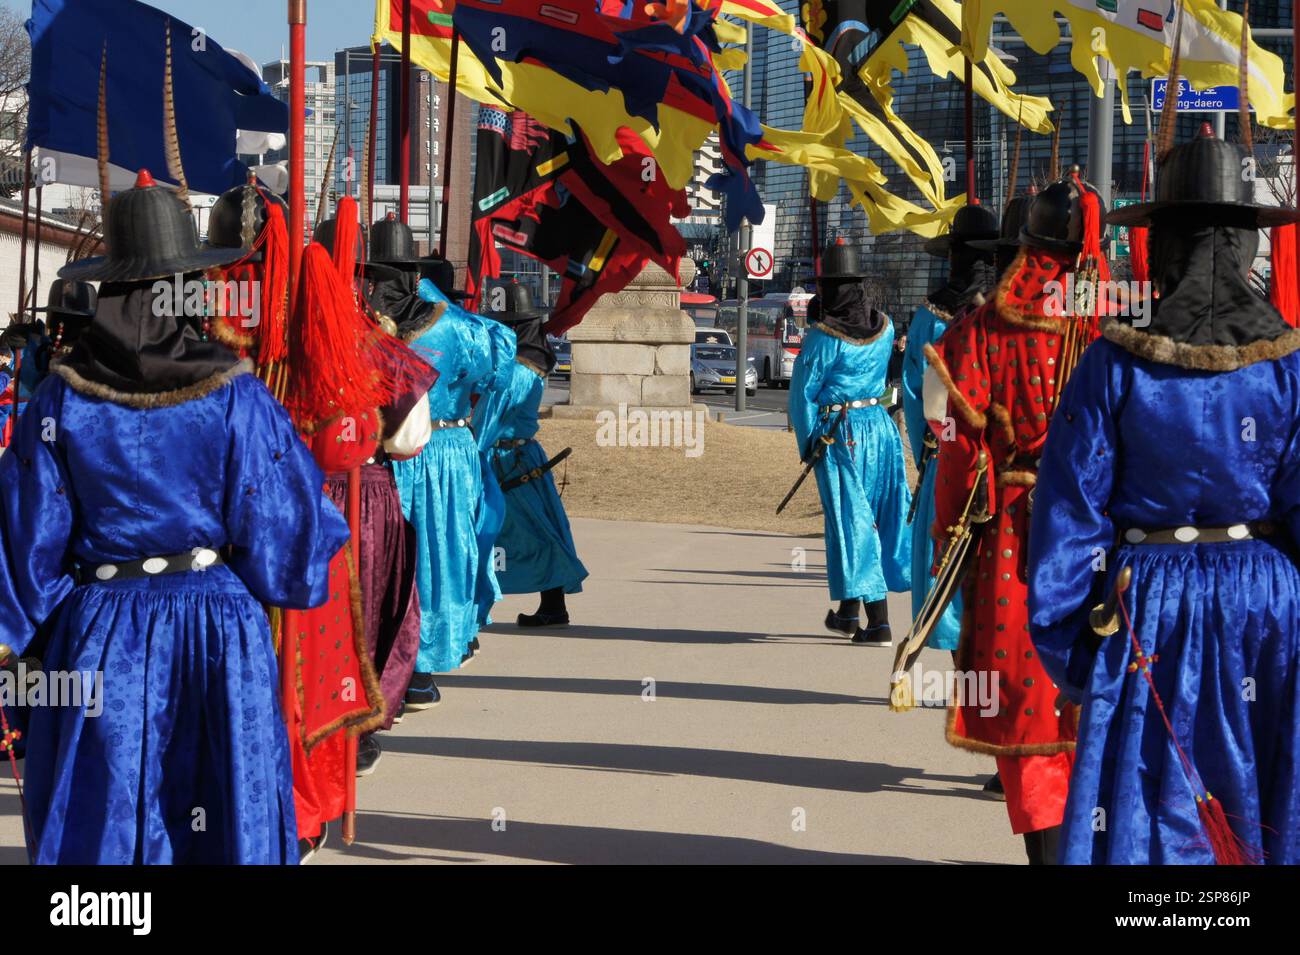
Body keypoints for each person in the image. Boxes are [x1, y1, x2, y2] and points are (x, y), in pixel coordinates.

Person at [0, 170, 349, 864]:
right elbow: (292, 529)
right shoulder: (236, 397)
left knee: (106, 818)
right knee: (220, 815)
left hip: (100, 635)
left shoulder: (58, 403)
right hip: (220, 632)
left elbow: (23, 544)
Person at [1029, 125, 1300, 864]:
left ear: (1166, 245)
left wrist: (1078, 649)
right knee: (1259, 805)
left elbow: (1068, 515)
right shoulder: (1290, 364)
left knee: (1155, 808)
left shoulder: (1111, 364)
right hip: (1268, 611)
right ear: (1247, 247)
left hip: (1148, 607)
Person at [927, 170, 1107, 864]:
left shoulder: (981, 329)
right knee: (1088, 712)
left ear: (1026, 242)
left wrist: (950, 537)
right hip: (1100, 537)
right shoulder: (1111, 326)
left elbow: (957, 453)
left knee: (1030, 712)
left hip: (1014, 538)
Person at [392, 277, 517, 707]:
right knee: (440, 556)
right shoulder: (463, 329)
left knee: (413, 557)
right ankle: (420, 667)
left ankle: (412, 665)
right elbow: (497, 371)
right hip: (444, 450)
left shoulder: (372, 322)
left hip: (401, 452)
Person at [789, 238, 912, 646]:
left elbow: (802, 394)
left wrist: (809, 444)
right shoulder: (887, 327)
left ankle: (878, 622)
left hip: (840, 435)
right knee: (876, 515)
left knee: (852, 523)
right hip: (880, 428)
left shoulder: (823, 337)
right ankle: (847, 613)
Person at [902, 203, 1000, 659]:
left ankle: (957, 645)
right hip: (999, 457)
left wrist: (930, 442)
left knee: (946, 542)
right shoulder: (1008, 312)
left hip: (949, 453)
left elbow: (914, 384)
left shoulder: (930, 316)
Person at [476, 285, 588, 626]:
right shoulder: (529, 363)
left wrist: (469, 452)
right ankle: (550, 604)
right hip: (522, 458)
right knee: (529, 532)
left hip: (506, 462)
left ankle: (480, 606)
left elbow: (487, 422)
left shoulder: (516, 372)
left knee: (495, 532)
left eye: (501, 325)